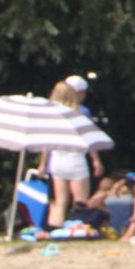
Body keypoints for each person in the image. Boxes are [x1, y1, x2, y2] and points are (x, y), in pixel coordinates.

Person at [40, 79, 102, 226]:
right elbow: (89, 139)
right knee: (80, 201)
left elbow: (46, 143)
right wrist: (96, 160)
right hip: (75, 160)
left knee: (60, 202)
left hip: (56, 161)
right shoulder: (80, 113)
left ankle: (54, 230)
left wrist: (43, 164)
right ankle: (78, 228)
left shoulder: (49, 115)